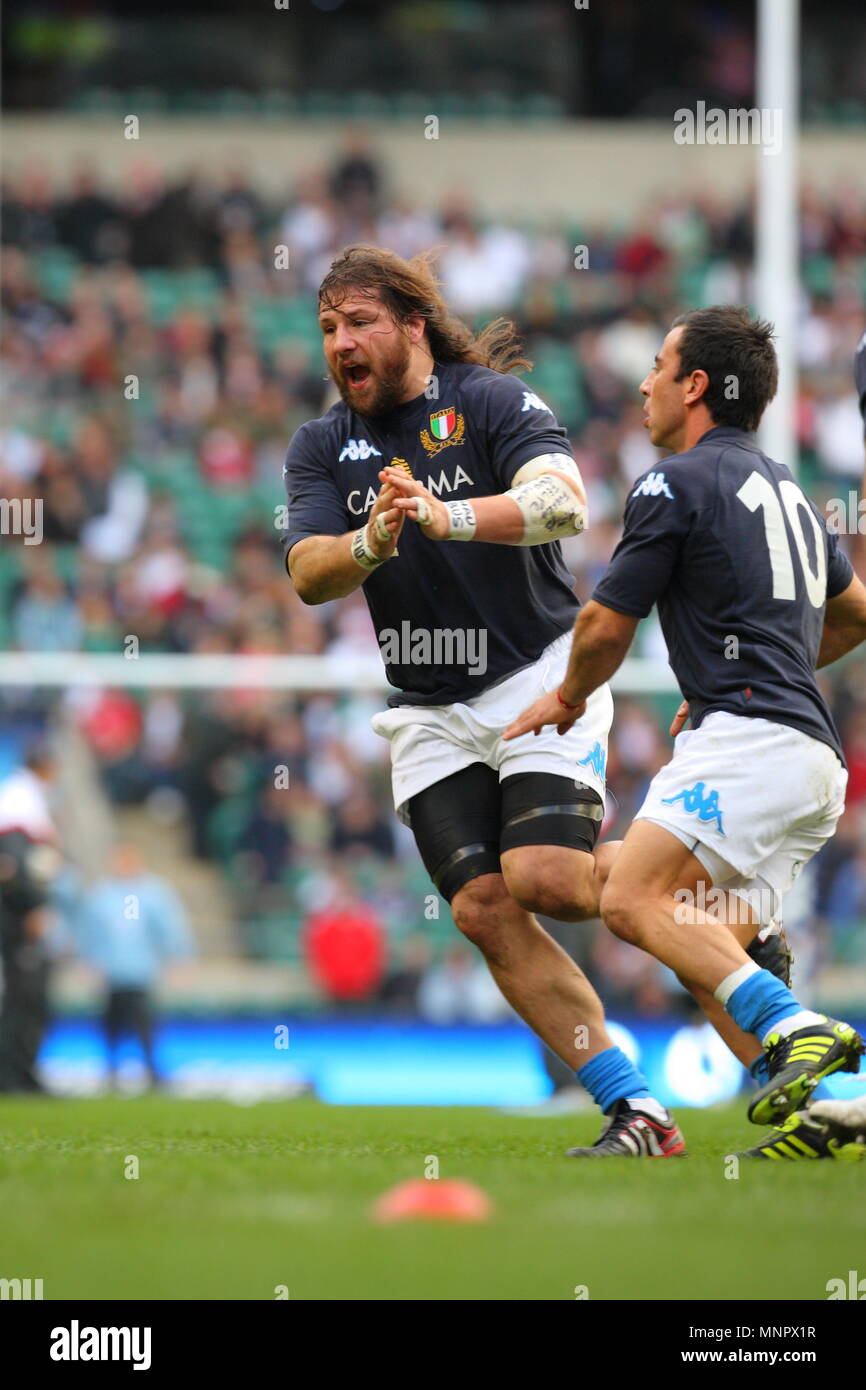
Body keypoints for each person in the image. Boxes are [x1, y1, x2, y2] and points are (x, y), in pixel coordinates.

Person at [284, 246, 760, 1160]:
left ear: (413, 325)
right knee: (482, 907)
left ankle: (714, 903)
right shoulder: (319, 444)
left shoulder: (491, 402)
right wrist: (375, 537)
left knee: (544, 876)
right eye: (329, 328)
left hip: (538, 675)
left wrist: (443, 513)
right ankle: (638, 1112)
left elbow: (563, 502)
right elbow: (308, 573)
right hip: (427, 706)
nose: (341, 343)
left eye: (360, 323)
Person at [504, 305, 866, 1158]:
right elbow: (854, 615)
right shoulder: (791, 491)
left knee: (631, 896)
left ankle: (794, 1026)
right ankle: (836, 1112)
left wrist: (566, 698)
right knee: (712, 941)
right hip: (809, 757)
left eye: (660, 366)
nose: (644, 383)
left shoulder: (674, 483)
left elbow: (601, 623)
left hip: (748, 741)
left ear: (695, 386)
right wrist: (773, 664)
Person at [75, 843, 193, 1088]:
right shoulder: (102, 894)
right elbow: (89, 932)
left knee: (144, 1023)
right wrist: (88, 960)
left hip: (141, 971)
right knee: (112, 1023)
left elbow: (170, 927)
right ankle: (111, 1069)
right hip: (112, 972)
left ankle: (152, 1069)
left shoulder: (154, 892)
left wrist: (179, 957)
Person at [0, 741, 61, 1094]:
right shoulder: (22, 799)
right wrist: (35, 906)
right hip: (18, 916)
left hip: (17, 911)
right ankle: (17, 1075)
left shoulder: (19, 795)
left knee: (24, 997)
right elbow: (18, 862)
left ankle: (19, 1073)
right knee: (27, 997)